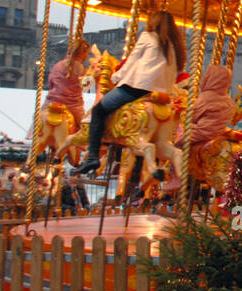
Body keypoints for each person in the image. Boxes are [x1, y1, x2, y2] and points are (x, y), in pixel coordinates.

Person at [76, 11, 185, 176]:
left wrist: (116, 76)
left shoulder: (148, 36)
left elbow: (132, 59)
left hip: (137, 88)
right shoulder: (174, 46)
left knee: (98, 111)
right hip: (162, 94)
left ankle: (92, 156)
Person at [45, 38, 91, 128]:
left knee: (39, 121)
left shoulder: (57, 65)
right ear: (84, 54)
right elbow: (87, 87)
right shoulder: (83, 70)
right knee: (85, 128)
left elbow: (50, 82)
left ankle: (34, 132)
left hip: (52, 103)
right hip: (73, 107)